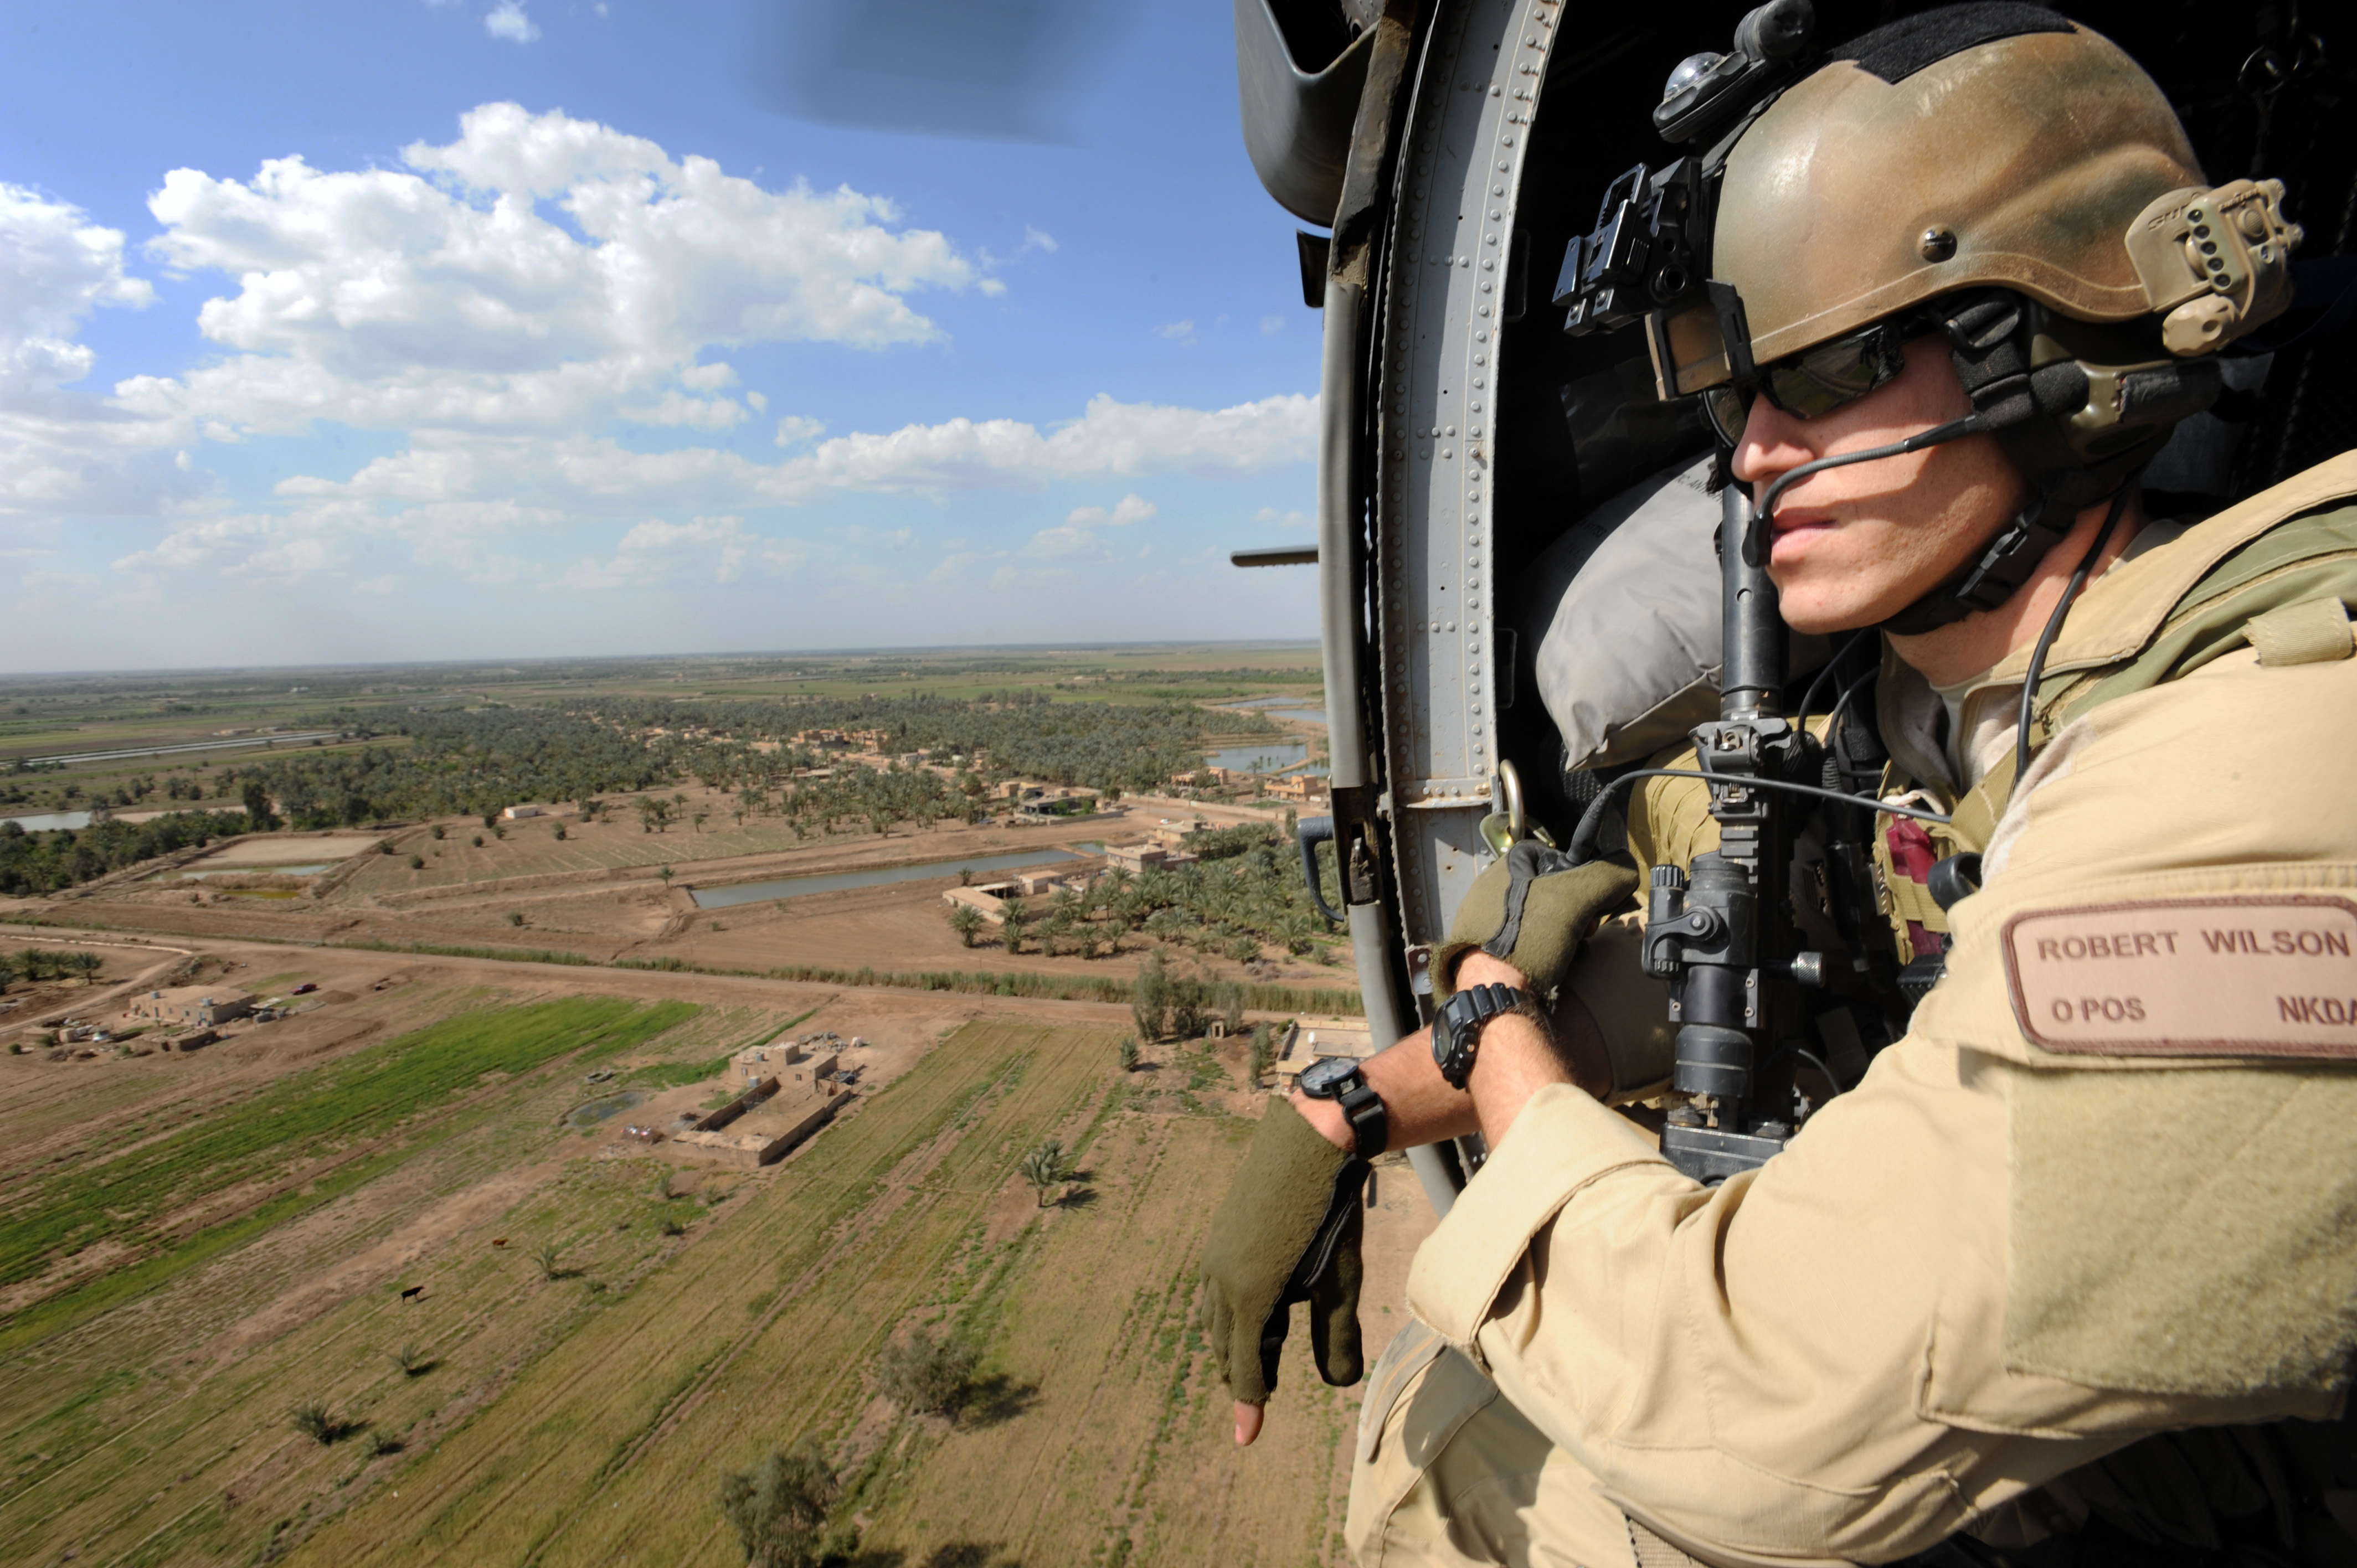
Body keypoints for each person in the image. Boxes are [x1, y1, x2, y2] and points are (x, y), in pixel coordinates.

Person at [1196, 7, 2357, 1565]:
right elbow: (1823, 914)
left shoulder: (2277, 747)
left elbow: (1757, 1415)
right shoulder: (1961, 723)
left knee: (1517, 1469)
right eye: (1740, 393)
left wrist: (1492, 1043)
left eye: (1820, 368)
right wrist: (1354, 1103)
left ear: (2047, 339)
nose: (1751, 452)